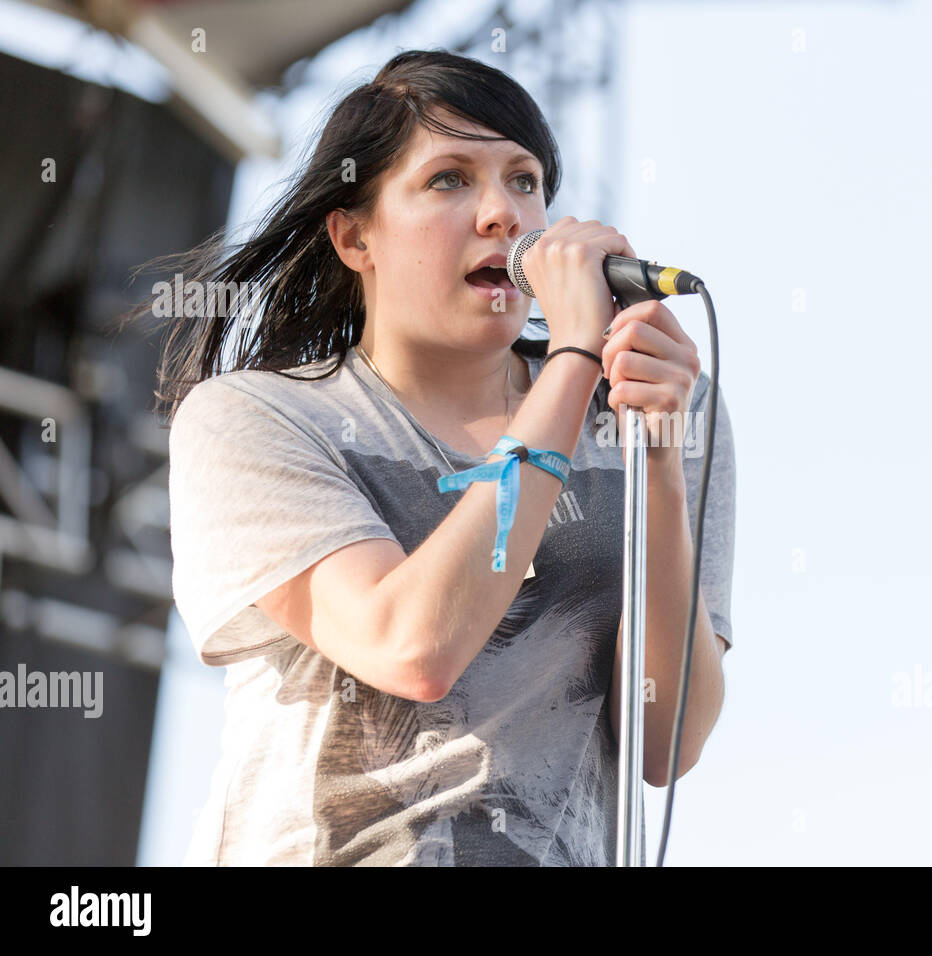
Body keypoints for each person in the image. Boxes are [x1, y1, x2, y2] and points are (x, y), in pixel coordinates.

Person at [148, 50, 736, 865]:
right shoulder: (258, 418)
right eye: (450, 180)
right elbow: (411, 647)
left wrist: (662, 462)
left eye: (524, 180)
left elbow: (666, 742)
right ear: (354, 236)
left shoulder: (657, 410)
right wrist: (571, 359)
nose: (502, 212)